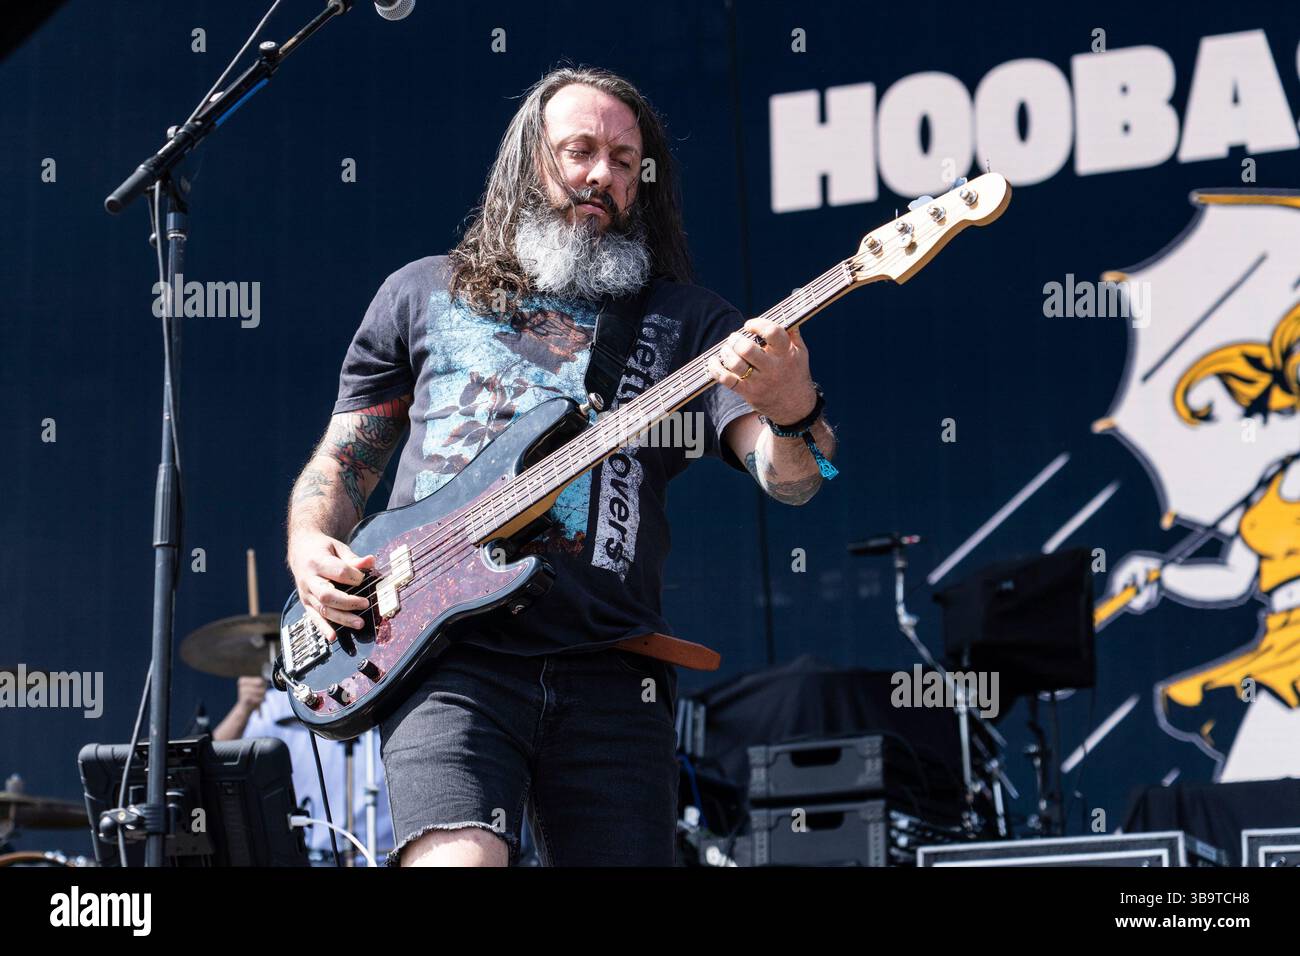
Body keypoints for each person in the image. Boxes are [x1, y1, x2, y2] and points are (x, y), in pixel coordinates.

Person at [285, 66, 837, 867]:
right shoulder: (420, 293)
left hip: (613, 673)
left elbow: (790, 478)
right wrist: (308, 544)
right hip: (447, 655)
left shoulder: (690, 324)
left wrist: (795, 412)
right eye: (579, 151)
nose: (601, 175)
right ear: (526, 162)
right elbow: (344, 462)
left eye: (623, 160)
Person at [213, 675, 394, 864]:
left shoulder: (385, 687)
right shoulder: (274, 703)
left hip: (380, 856)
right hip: (306, 855)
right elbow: (212, 761)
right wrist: (243, 709)